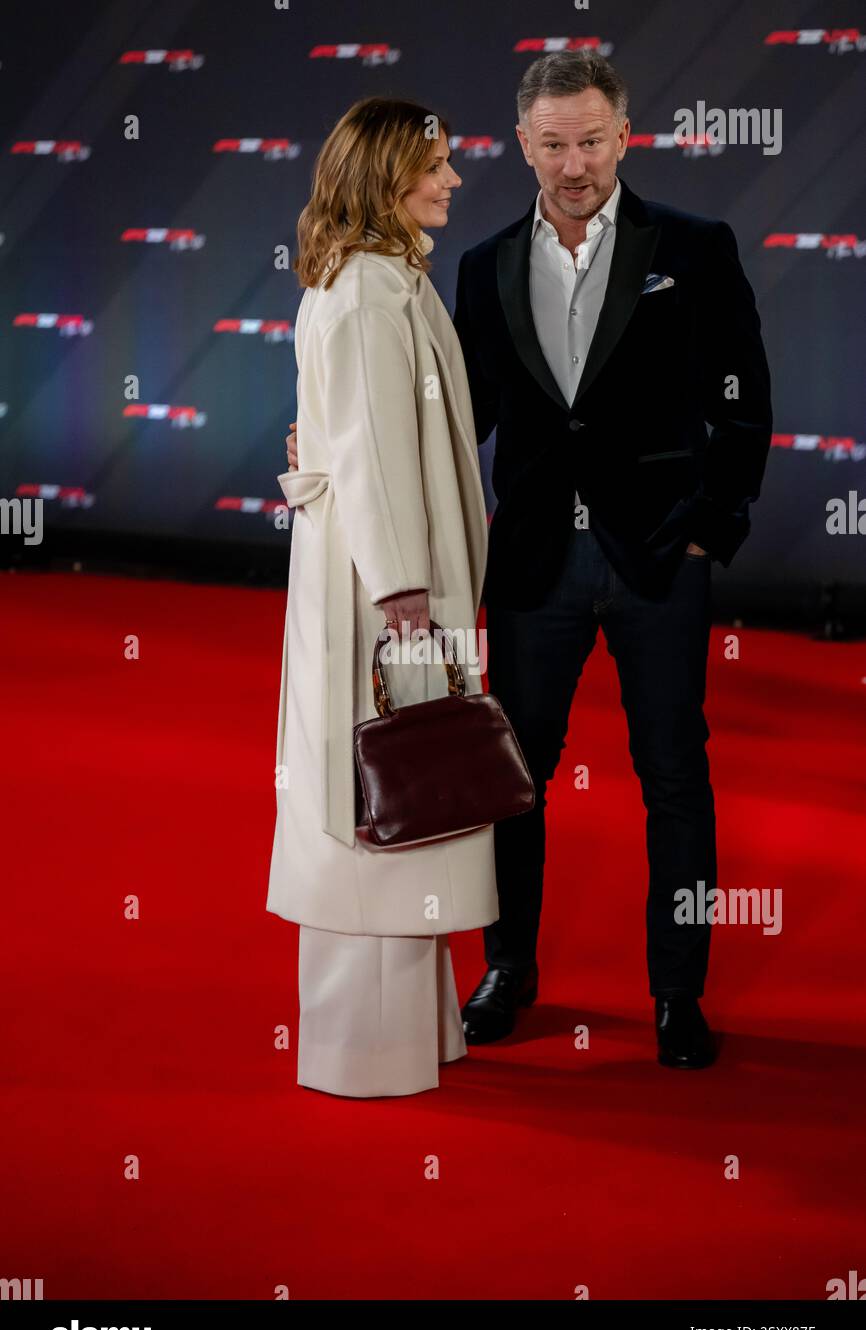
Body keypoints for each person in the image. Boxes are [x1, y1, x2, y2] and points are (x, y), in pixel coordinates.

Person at [452, 51, 772, 1066]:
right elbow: (461, 418)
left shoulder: (694, 246)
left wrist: (707, 527)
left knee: (673, 777)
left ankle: (678, 992)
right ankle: (507, 970)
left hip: (656, 559)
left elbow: (741, 399)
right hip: (535, 563)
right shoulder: (482, 265)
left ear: (624, 135)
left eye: (590, 139)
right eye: (552, 143)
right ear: (521, 145)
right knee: (515, 780)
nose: (573, 162)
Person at [266, 97, 498, 1098]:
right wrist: (406, 590)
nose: (451, 182)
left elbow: (336, 434)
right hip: (382, 594)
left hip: (379, 582)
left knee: (404, 802)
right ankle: (367, 1055)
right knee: (387, 797)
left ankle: (416, 1029)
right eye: (432, 167)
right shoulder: (366, 288)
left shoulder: (378, 278)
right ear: (384, 176)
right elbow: (364, 455)